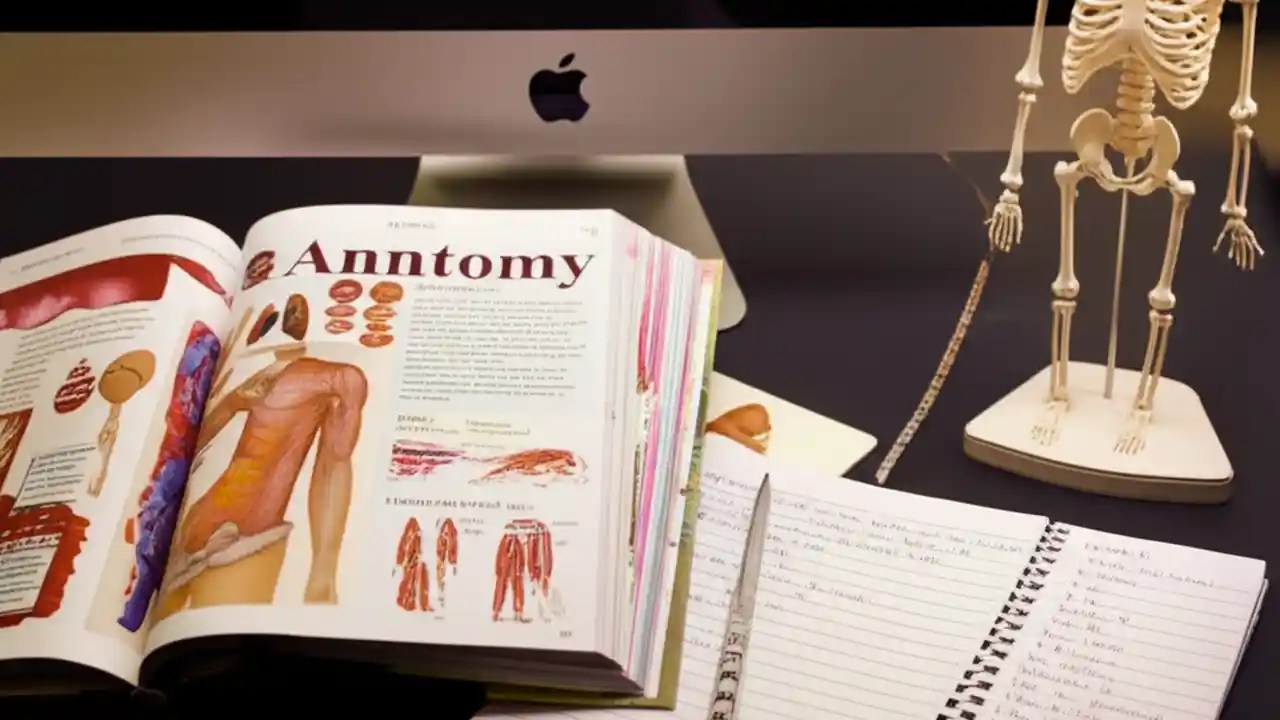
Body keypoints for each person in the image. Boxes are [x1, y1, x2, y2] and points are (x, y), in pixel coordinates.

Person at [154, 338, 368, 619]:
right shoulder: (268, 373)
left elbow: (334, 462)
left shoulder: (339, 377)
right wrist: (233, 403)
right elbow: (187, 449)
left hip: (245, 536)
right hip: (196, 533)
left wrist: (323, 571)